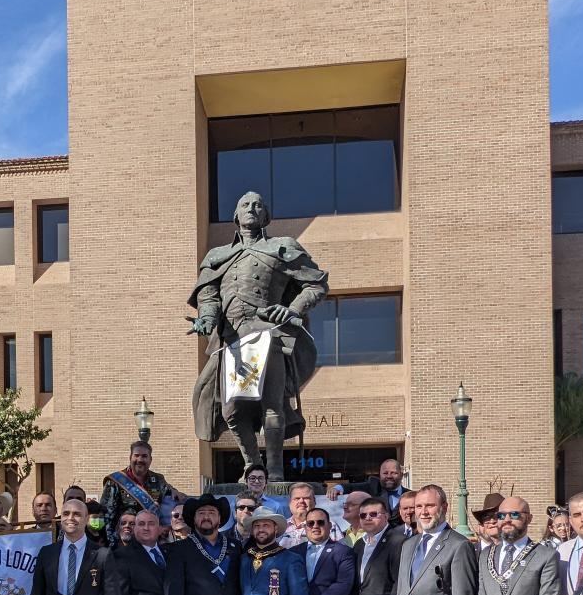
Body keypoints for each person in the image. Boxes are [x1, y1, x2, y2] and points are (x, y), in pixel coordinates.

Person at [189, 190, 331, 479]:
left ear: (266, 215)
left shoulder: (282, 247)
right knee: (230, 410)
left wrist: (292, 310)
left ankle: (275, 470)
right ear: (236, 216)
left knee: (272, 404)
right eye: (245, 204)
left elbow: (316, 285)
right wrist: (205, 319)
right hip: (232, 341)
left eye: (258, 205)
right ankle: (253, 464)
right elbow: (209, 296)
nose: (252, 208)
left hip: (267, 334)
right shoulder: (217, 256)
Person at [167, 493, 241, 595]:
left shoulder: (236, 547)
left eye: (212, 513)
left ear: (220, 519)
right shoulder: (179, 549)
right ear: (194, 519)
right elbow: (174, 588)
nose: (206, 517)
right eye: (201, 513)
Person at [346, 493, 402, 595]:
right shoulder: (359, 544)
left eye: (373, 514)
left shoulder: (397, 541)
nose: (367, 518)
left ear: (386, 517)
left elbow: (399, 585)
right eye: (363, 515)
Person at [295, 506, 354, 595]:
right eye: (310, 523)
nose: (315, 526)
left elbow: (343, 584)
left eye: (320, 522)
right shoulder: (294, 552)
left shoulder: (343, 552)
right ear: (305, 527)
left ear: (329, 525)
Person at [100, 440, 177, 543]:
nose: (140, 459)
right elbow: (106, 517)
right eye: (136, 455)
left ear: (150, 459)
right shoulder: (115, 481)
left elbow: (170, 495)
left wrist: (175, 491)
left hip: (152, 542)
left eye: (144, 456)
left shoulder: (158, 479)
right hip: (125, 542)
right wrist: (111, 545)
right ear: (130, 458)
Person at [362, 457, 407, 525]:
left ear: (401, 475)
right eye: (385, 473)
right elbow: (353, 487)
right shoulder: (373, 489)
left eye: (394, 473)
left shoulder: (411, 495)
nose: (389, 476)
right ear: (380, 475)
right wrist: (340, 488)